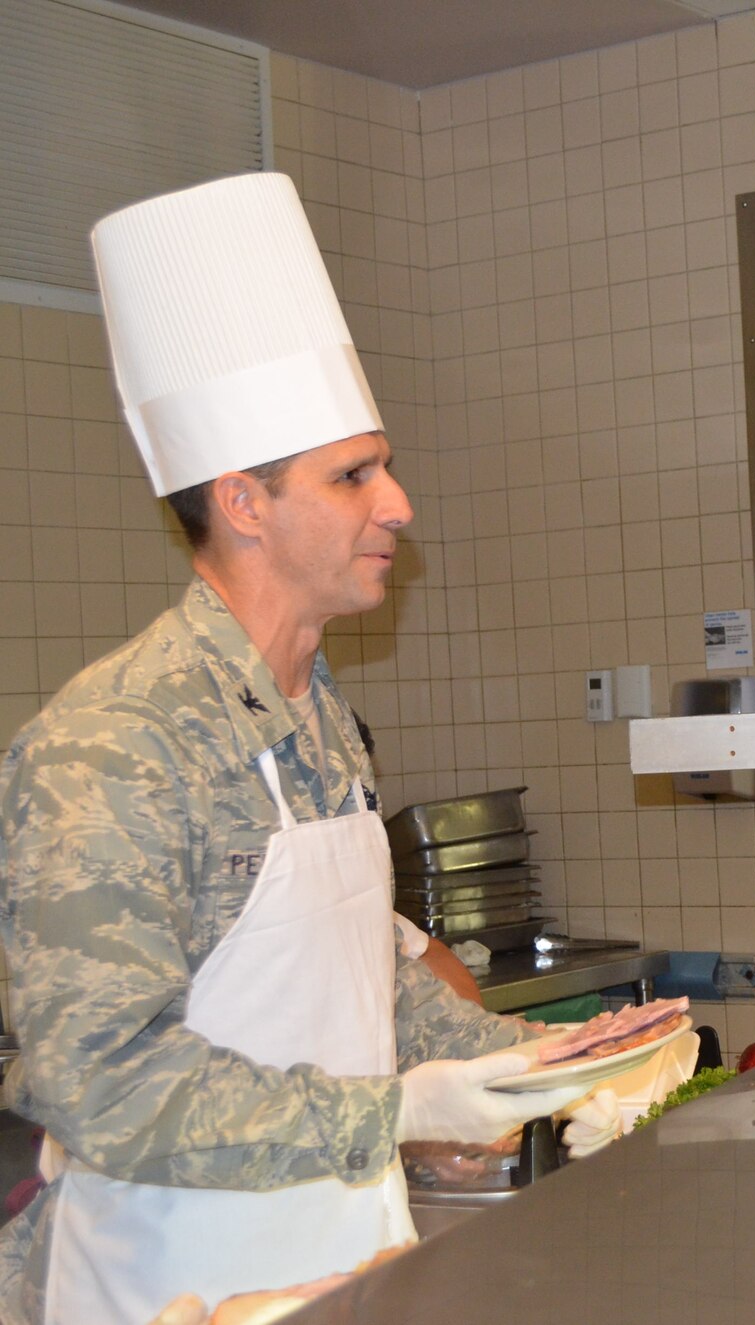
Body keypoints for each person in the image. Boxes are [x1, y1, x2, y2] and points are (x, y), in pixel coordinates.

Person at [0, 174, 613, 1325]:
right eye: (353, 475)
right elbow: (101, 1081)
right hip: (168, 1283)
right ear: (244, 501)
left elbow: (360, 978)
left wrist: (541, 1061)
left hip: (339, 1262)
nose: (399, 504)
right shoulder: (116, 744)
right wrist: (395, 1112)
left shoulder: (320, 718)